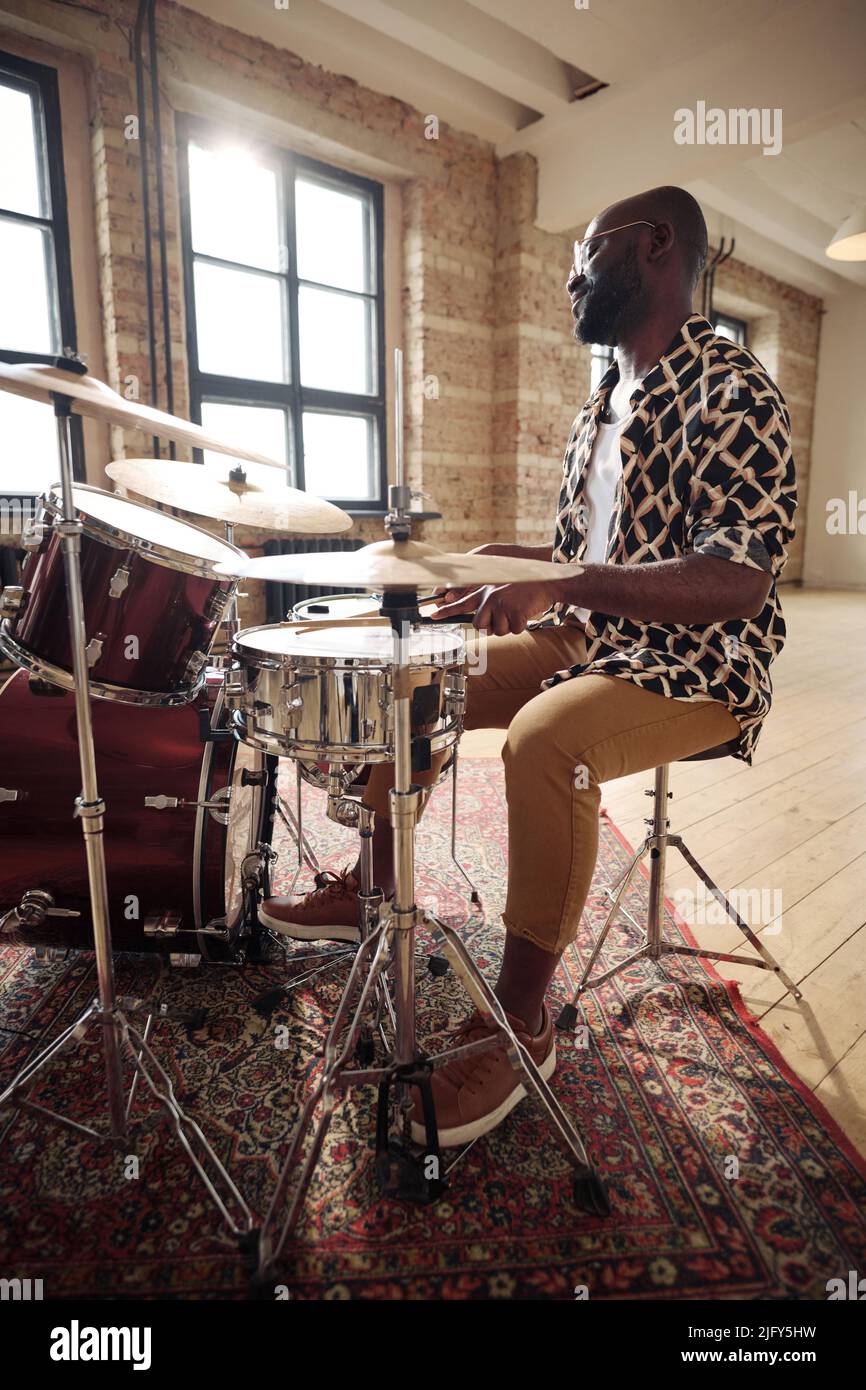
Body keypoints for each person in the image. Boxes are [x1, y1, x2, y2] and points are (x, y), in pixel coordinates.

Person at [260, 186, 797, 1150]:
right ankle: (372, 890)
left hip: (698, 661)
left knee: (546, 743)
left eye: (588, 250)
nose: (569, 274)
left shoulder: (735, 388)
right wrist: (499, 572)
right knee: (419, 670)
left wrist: (567, 581)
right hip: (588, 635)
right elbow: (572, 561)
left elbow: (733, 582)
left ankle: (522, 1024)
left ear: (655, 246)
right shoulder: (602, 405)